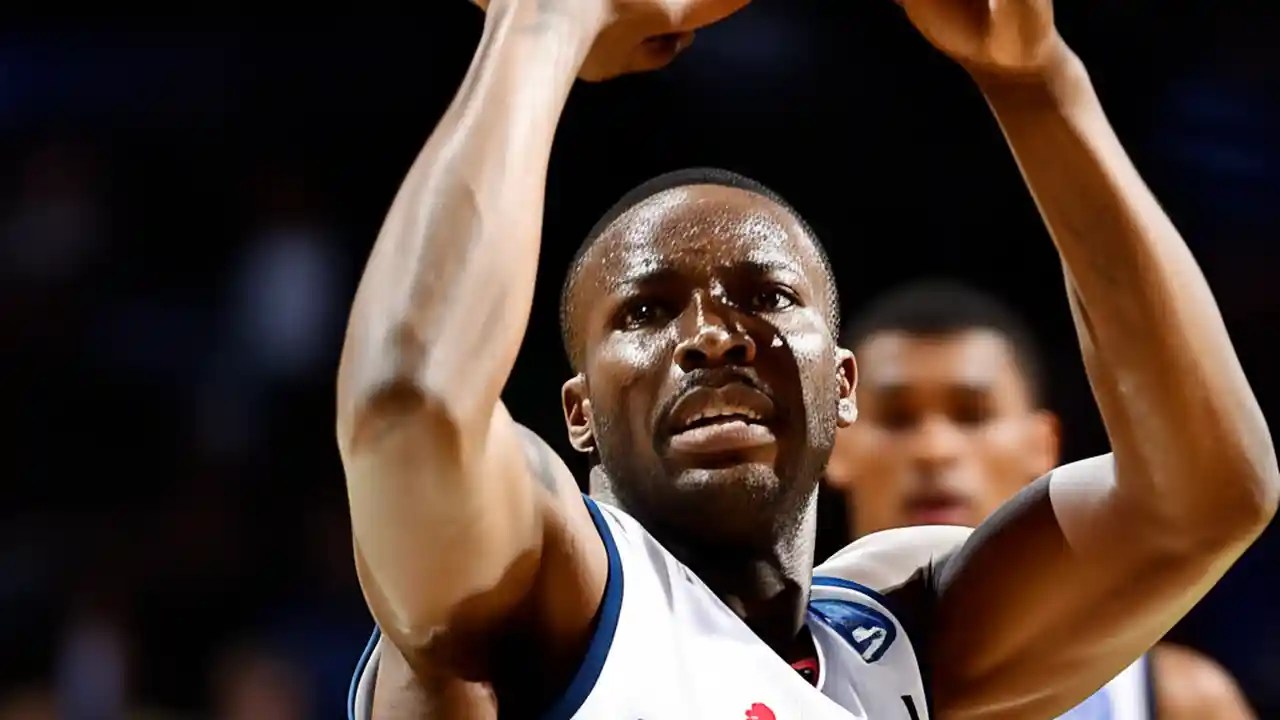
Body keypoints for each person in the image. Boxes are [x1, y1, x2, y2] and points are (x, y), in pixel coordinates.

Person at [335, 0, 1279, 717]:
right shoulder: (539, 588)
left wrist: (1037, 83)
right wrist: (544, 23)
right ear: (577, 411)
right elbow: (408, 407)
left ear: (843, 382)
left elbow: (1208, 497)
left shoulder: (893, 641)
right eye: (647, 311)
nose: (711, 334)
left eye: (768, 297)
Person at [826, 280, 1260, 720]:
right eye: (897, 420)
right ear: (832, 444)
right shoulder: (763, 664)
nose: (935, 449)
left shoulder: (1177, 699)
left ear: (1042, 446)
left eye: (972, 415)